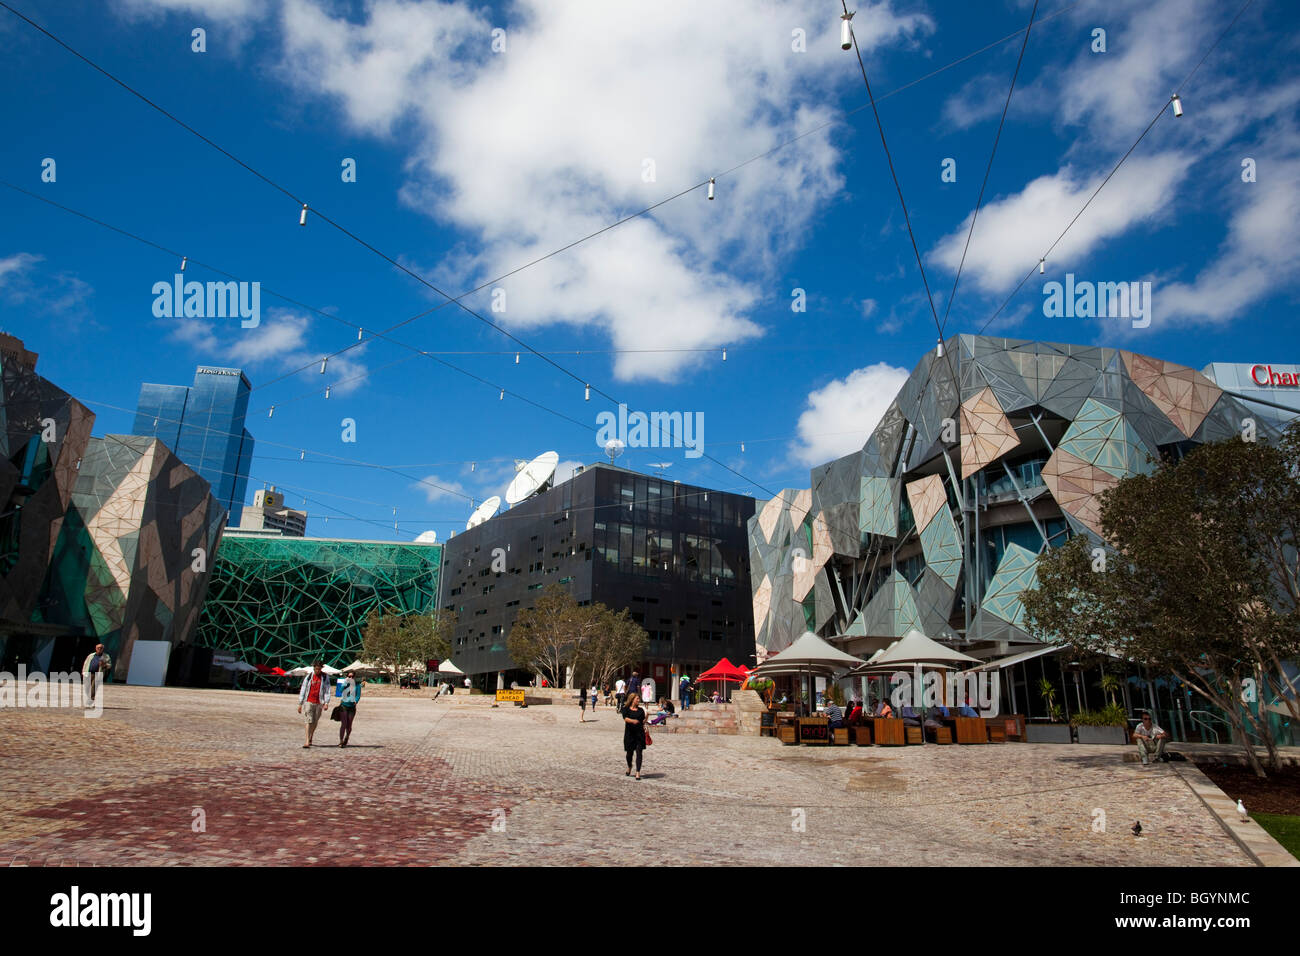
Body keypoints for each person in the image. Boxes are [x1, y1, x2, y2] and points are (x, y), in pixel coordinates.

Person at [297, 661, 331, 748]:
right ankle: (307, 740)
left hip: (319, 702)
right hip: (308, 701)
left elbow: (327, 690)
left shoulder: (325, 677)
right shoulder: (309, 677)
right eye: (316, 669)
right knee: (309, 720)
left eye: (319, 669)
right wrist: (300, 703)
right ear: (314, 668)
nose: (317, 670)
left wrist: (326, 703)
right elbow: (303, 689)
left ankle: (311, 735)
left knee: (315, 721)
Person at [621, 693, 647, 780]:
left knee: (639, 753)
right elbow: (625, 718)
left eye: (639, 699)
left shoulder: (641, 710)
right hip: (629, 734)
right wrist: (633, 721)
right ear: (632, 699)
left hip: (639, 734)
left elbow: (642, 721)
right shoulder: (626, 709)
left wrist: (646, 718)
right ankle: (629, 766)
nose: (638, 701)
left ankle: (638, 772)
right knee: (629, 754)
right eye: (637, 699)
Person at [338, 670, 361, 747]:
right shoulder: (345, 684)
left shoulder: (357, 685)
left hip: (352, 707)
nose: (351, 678)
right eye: (349, 676)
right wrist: (345, 684)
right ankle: (341, 741)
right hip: (344, 705)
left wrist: (356, 701)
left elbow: (358, 695)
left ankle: (347, 737)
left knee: (349, 725)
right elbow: (340, 691)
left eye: (352, 676)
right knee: (343, 724)